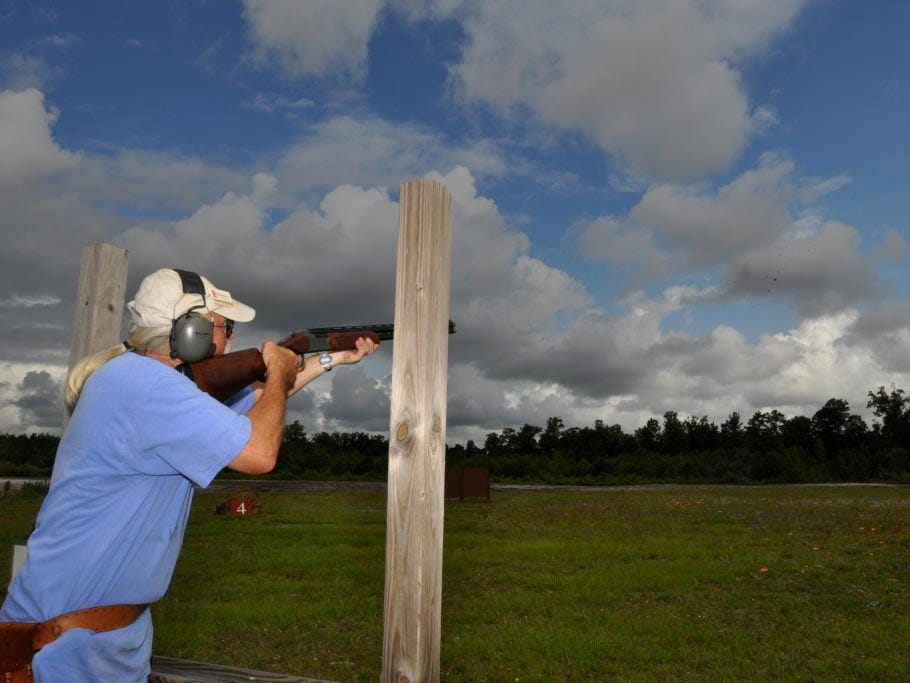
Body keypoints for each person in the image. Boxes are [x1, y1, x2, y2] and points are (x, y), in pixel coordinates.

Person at [0, 267, 378, 682]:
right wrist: (277, 370)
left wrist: (330, 358)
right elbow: (259, 451)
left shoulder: (146, 383)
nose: (230, 338)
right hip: (64, 648)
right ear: (191, 329)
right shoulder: (144, 384)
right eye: (224, 326)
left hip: (99, 641)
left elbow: (258, 406)